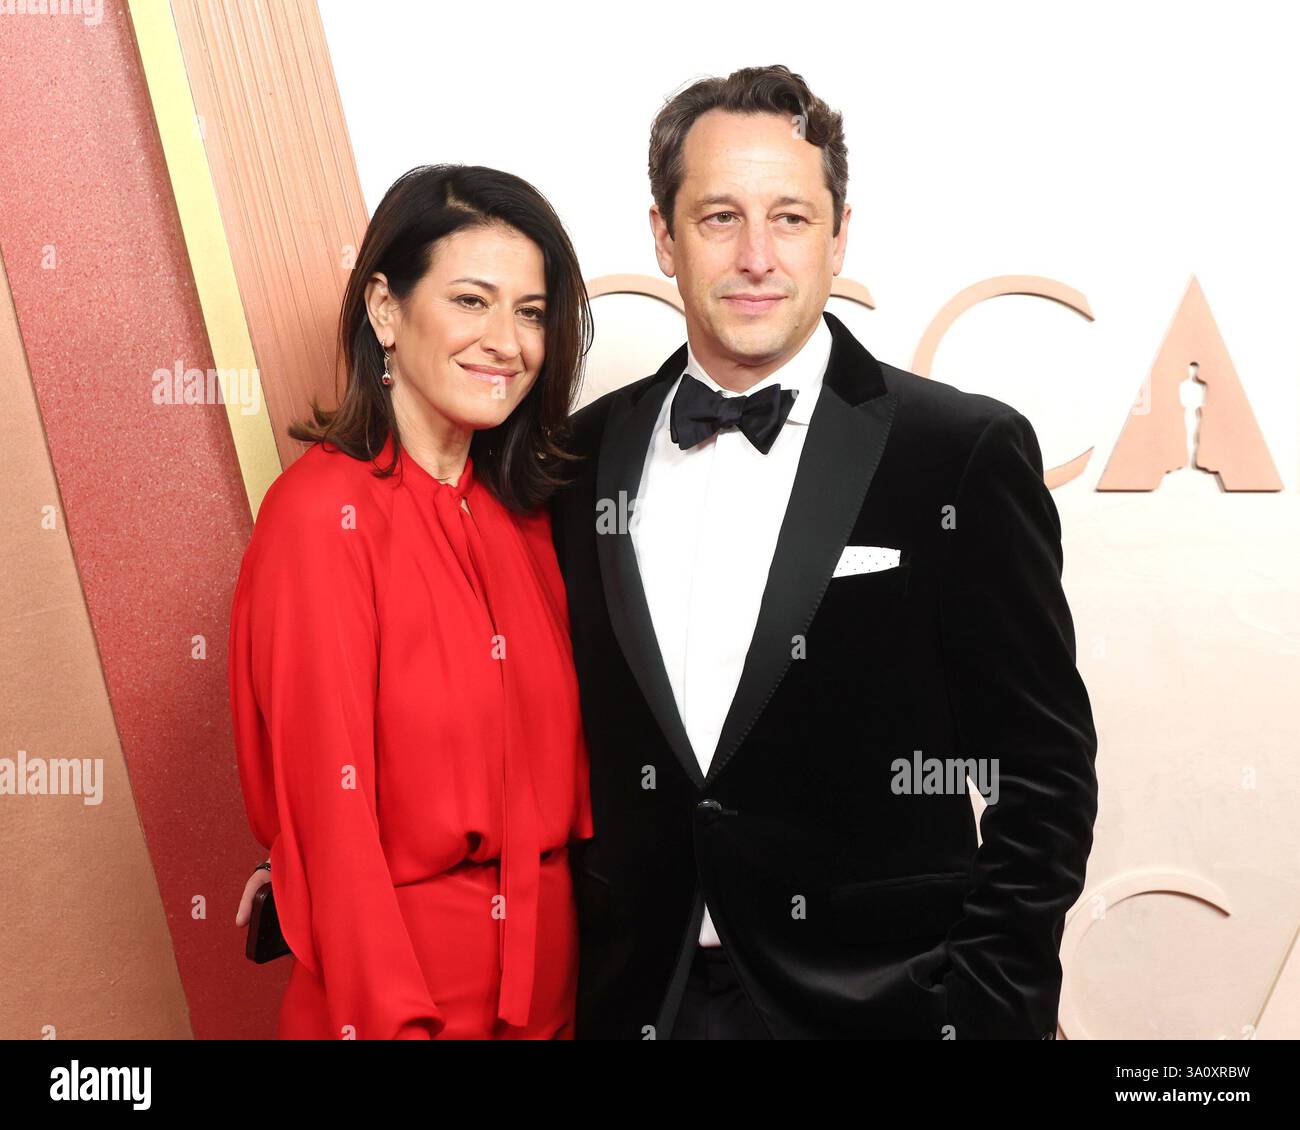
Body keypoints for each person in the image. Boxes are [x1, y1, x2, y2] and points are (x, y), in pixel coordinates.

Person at [548, 64, 1099, 1039]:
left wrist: (983, 1005)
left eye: (791, 218)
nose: (757, 254)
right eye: (719, 216)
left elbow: (1042, 769)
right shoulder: (578, 462)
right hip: (644, 1001)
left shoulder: (955, 452)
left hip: (887, 1005)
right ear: (661, 237)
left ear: (839, 233)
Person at [228, 163, 594, 1039]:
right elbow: (330, 824)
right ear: (385, 310)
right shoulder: (321, 517)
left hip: (555, 991)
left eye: (532, 312)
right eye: (472, 301)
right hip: (405, 997)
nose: (507, 341)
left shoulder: (528, 519)